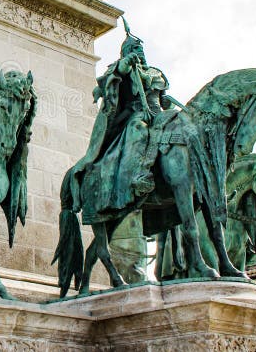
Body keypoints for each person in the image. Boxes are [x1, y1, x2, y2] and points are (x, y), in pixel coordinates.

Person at [71, 19, 177, 221]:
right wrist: (125, 63)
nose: (140, 53)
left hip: (160, 115)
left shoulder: (156, 73)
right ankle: (138, 176)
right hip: (137, 115)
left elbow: (163, 100)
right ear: (127, 52)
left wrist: (169, 106)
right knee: (139, 130)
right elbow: (112, 79)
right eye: (135, 49)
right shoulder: (124, 67)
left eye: (141, 49)